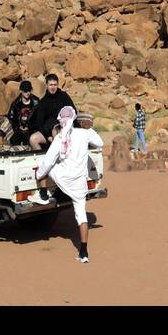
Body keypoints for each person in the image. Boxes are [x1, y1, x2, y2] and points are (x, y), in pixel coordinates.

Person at [33, 107, 102, 263]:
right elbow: (99, 143)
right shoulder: (84, 134)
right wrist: (90, 129)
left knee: (42, 164)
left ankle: (43, 195)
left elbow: (48, 162)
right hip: (79, 183)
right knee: (81, 215)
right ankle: (84, 252)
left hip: (63, 177)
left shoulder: (59, 138)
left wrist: (39, 174)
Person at [28, 75, 74, 150]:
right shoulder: (43, 102)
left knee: (56, 132)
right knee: (33, 139)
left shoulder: (64, 96)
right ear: (46, 85)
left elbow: (73, 111)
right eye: (51, 85)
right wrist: (48, 136)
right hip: (48, 132)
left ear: (57, 85)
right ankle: (43, 159)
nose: (53, 87)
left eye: (55, 85)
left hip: (64, 128)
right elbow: (39, 123)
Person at [6, 80, 39, 146]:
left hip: (32, 130)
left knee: (27, 136)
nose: (28, 93)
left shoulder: (36, 102)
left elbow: (39, 117)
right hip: (19, 130)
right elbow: (11, 117)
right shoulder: (16, 103)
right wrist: (18, 127)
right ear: (21, 91)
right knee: (15, 139)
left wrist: (30, 127)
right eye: (25, 91)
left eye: (29, 90)